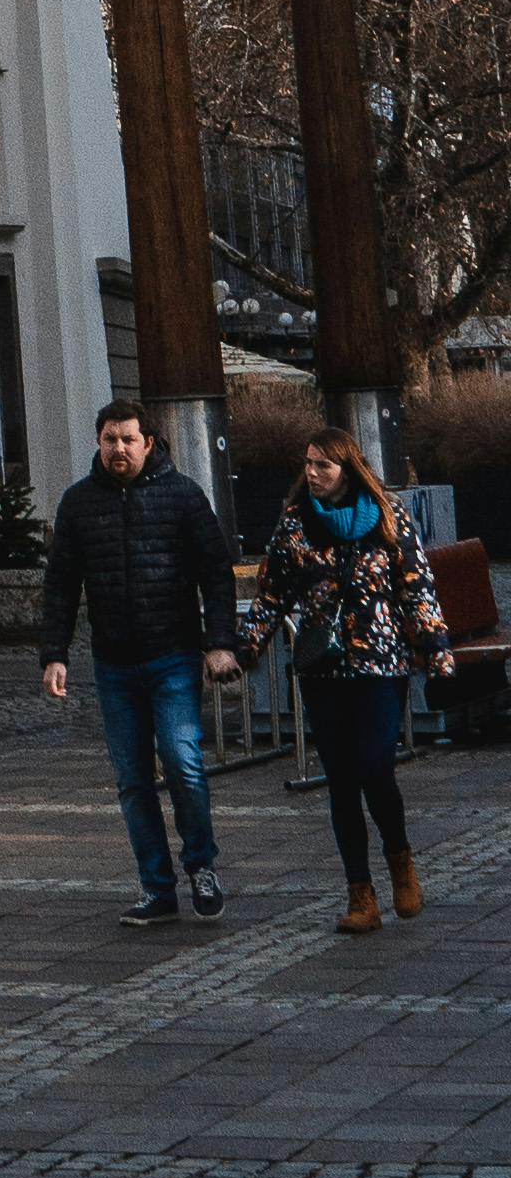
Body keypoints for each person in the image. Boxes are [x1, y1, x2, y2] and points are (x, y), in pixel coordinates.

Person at [39, 397, 244, 920]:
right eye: (110, 439)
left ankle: (201, 865)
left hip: (173, 654)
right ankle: (157, 888)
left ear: (148, 443)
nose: (119, 449)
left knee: (183, 762)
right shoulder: (79, 503)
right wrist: (55, 654)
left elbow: (216, 572)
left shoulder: (183, 496)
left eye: (128, 439)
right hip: (114, 663)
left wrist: (220, 642)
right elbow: (61, 585)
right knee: (133, 779)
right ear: (99, 442)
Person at [253, 426, 448, 934]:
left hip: (380, 663)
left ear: (348, 468)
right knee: (341, 780)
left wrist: (435, 647)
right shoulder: (295, 523)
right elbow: (272, 593)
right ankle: (360, 894)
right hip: (323, 667)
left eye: (323, 465)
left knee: (376, 767)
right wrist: (244, 648)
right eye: (308, 463)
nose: (312, 473)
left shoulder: (386, 514)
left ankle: (400, 860)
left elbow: (417, 585)